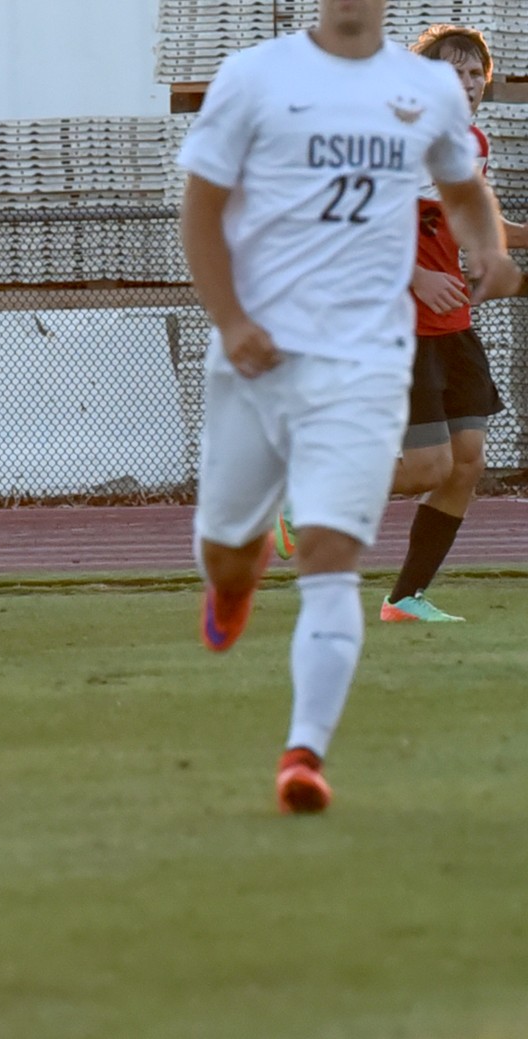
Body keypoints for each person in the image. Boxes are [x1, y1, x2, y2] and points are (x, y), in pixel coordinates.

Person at [177, 0, 523, 811]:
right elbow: (200, 209)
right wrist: (231, 319)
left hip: (367, 359)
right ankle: (237, 571)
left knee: (333, 553)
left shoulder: (424, 89)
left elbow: (464, 192)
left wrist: (490, 248)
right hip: (257, 351)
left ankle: (304, 753)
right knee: (226, 550)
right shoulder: (256, 77)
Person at [379, 24, 528, 623]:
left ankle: (405, 599)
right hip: (401, 325)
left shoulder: (471, 143)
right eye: (454, 72)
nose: (467, 85)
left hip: (453, 325)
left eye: (476, 75)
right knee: (425, 467)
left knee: (466, 464)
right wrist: (416, 275)